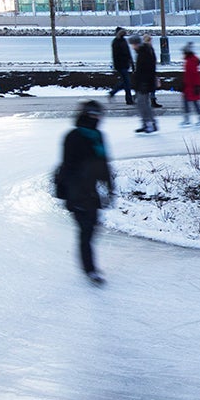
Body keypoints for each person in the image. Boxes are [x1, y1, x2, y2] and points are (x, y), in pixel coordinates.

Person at [58, 99, 114, 285]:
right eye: (93, 115)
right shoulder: (73, 137)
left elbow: (104, 163)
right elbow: (67, 166)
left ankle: (89, 267)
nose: (96, 118)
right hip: (76, 191)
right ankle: (90, 270)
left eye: (98, 115)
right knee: (86, 230)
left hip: (90, 191)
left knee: (92, 228)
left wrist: (110, 187)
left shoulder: (97, 136)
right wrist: (67, 193)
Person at [129, 34, 157, 134]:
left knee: (142, 104)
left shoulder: (144, 52)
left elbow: (146, 70)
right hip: (143, 83)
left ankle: (149, 123)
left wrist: (143, 82)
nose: (132, 47)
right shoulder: (143, 51)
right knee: (143, 104)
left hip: (144, 83)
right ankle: (149, 123)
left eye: (132, 44)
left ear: (136, 44)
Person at [181, 42, 200, 127]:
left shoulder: (190, 61)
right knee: (190, 102)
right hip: (190, 86)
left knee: (194, 103)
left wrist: (196, 86)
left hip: (192, 86)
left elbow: (193, 75)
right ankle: (196, 119)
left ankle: (197, 119)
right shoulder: (190, 60)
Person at [108, 27, 134, 105]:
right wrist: (116, 65)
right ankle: (129, 100)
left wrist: (132, 63)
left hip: (125, 64)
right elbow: (115, 55)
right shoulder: (116, 42)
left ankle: (112, 92)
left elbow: (128, 53)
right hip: (121, 65)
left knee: (125, 82)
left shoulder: (123, 41)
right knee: (127, 82)